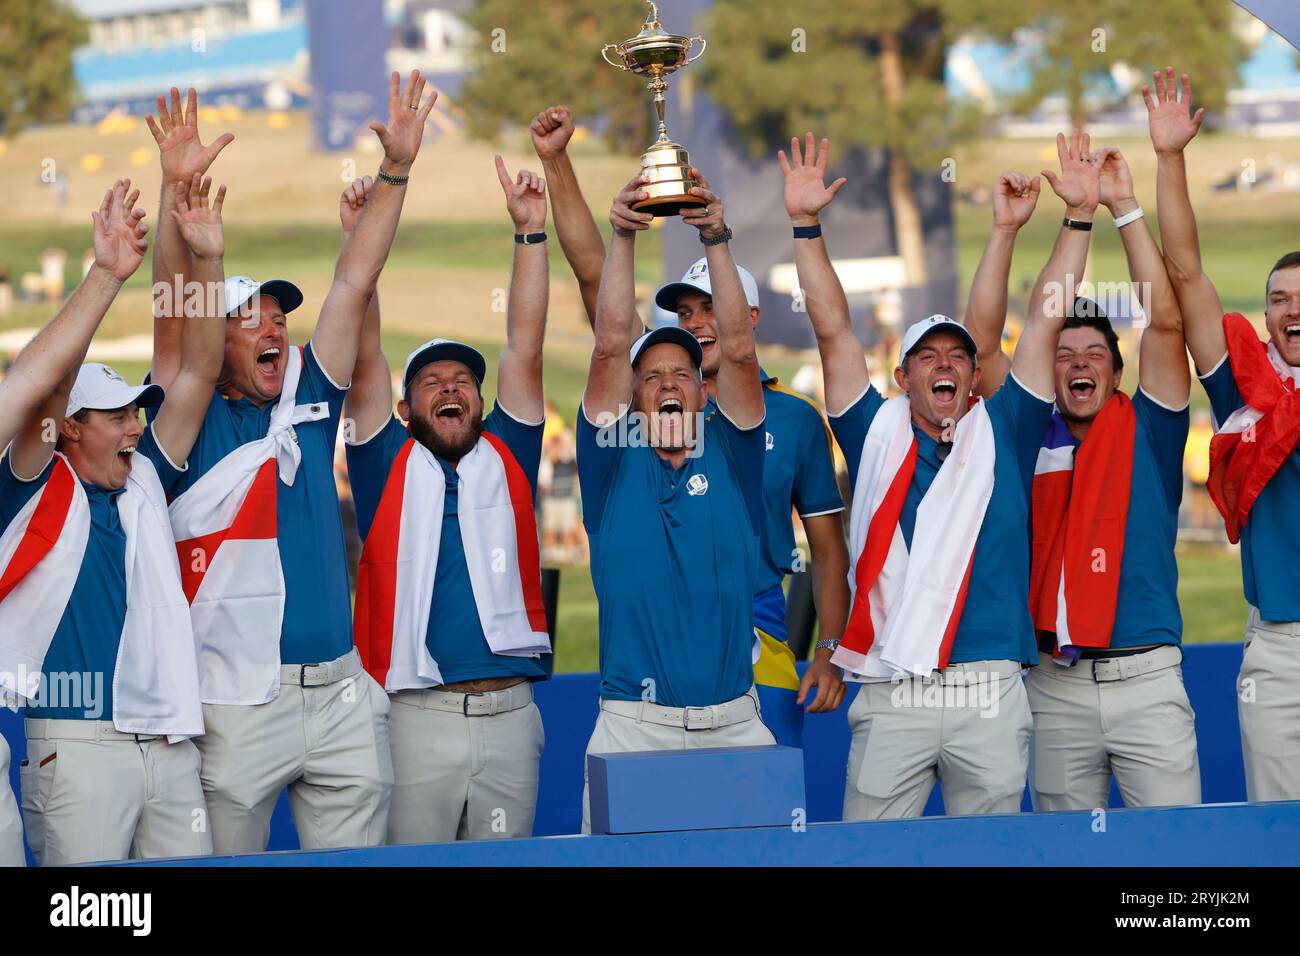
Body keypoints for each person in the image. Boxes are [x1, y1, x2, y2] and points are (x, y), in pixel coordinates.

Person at [141, 71, 435, 853]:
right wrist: (178, 201)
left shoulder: (307, 391)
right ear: (218, 335)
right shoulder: (187, 412)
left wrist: (396, 173)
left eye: (279, 317)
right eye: (249, 321)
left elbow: (353, 281)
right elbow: (176, 318)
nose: (273, 328)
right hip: (235, 704)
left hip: (340, 688)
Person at [788, 130, 1079, 819]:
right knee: (872, 856)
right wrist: (805, 224)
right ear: (903, 375)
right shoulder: (873, 431)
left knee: (996, 860)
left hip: (989, 683)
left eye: (957, 355)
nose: (944, 364)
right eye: (927, 356)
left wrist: (1079, 217)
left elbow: (1045, 320)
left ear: (975, 375)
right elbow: (832, 332)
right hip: (892, 683)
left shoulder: (1004, 428)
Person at [534, 109, 850, 745]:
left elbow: (828, 548)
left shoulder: (774, 419)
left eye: (710, 308)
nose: (697, 322)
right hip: (643, 671)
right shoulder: (632, 418)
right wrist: (559, 165)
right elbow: (598, 291)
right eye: (683, 310)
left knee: (753, 811)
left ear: (747, 312)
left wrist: (831, 646)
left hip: (754, 623)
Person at [964, 145, 1200, 810]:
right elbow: (985, 349)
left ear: (1117, 374)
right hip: (1053, 681)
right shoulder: (1020, 432)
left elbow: (1167, 320)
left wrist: (1124, 207)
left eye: (1096, 353)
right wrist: (1024, 227)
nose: (1078, 363)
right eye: (1064, 354)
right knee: (1068, 856)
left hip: (1147, 676)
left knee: (1179, 856)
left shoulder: (1150, 427)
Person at [0, 179, 211, 865]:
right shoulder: (32, 484)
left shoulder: (145, 476)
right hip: (77, 742)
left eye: (136, 412)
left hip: (168, 739)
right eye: (118, 414)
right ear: (68, 430)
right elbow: (42, 385)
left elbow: (197, 369)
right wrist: (105, 277)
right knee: (92, 917)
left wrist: (200, 250)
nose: (137, 425)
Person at [345, 155, 553, 844]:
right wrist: (358, 244)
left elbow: (524, 347)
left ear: (482, 400)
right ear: (405, 407)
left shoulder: (511, 456)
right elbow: (365, 355)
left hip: (511, 712)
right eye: (431, 382)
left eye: (463, 378)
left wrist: (529, 235)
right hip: (417, 717)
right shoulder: (383, 463)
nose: (450, 388)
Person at [577, 170, 774, 832]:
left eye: (681, 375)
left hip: (736, 725)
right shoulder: (610, 462)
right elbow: (608, 344)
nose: (667, 383)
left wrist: (715, 234)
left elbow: (741, 355)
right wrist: (623, 237)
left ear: (701, 392)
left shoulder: (735, 453)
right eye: (651, 375)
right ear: (632, 397)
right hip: (634, 726)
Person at [1149, 66, 1300, 802]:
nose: (1291, 310)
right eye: (1279, 299)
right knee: (1278, 828)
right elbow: (1185, 273)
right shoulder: (1244, 379)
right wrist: (1171, 160)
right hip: (1279, 644)